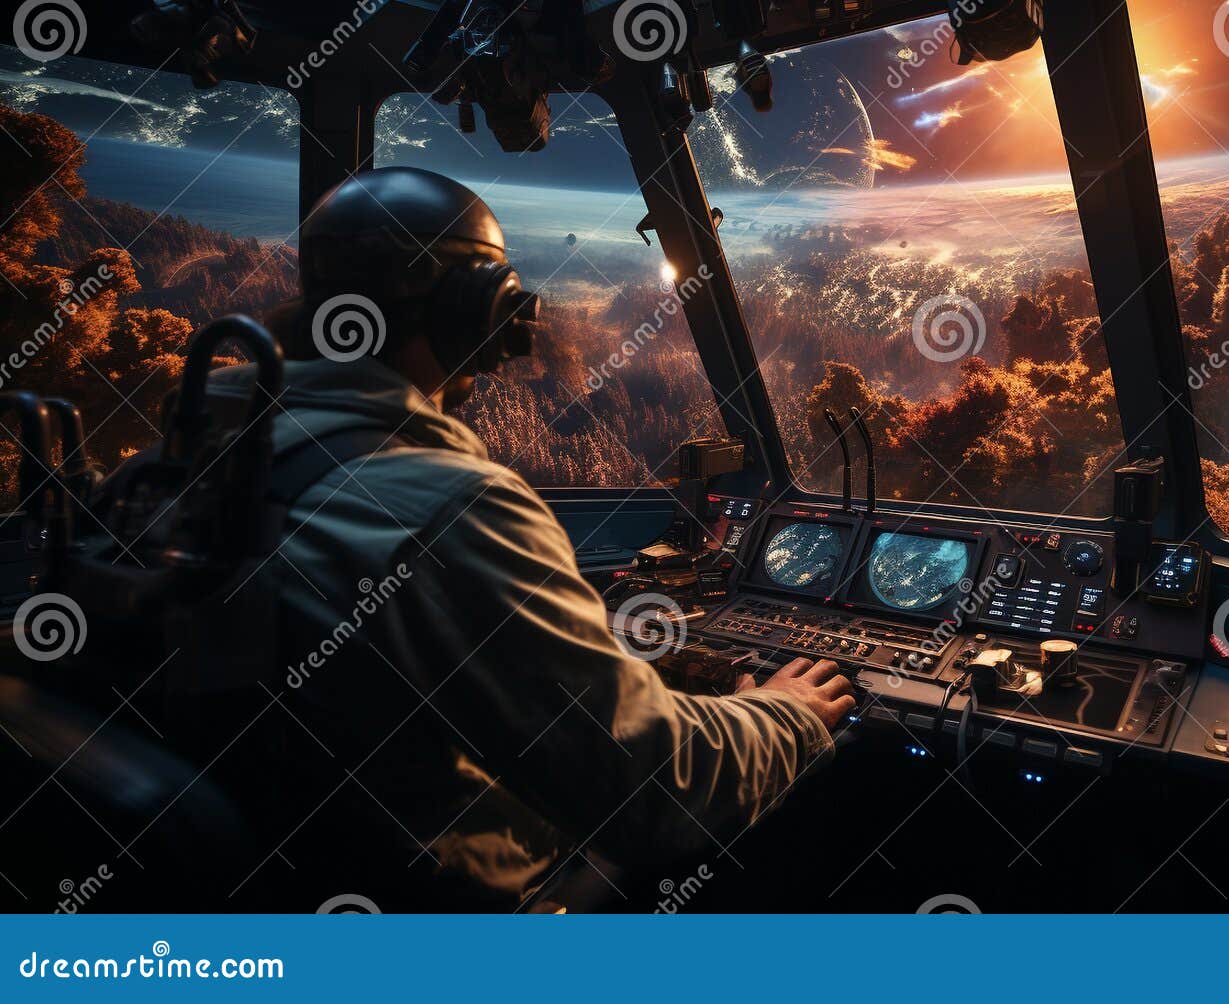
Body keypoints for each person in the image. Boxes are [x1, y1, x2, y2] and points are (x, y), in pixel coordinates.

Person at [201, 166, 854, 911]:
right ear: (475, 313)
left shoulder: (190, 468)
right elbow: (655, 786)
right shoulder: (449, 509)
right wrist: (786, 714)